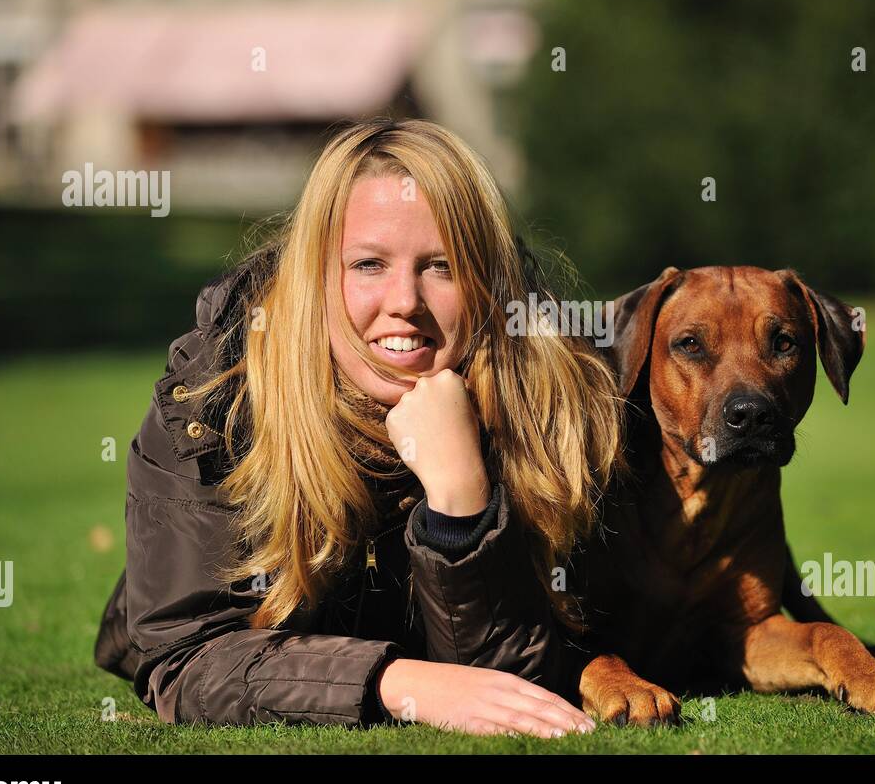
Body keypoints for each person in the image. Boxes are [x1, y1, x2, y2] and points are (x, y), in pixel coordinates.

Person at [93, 118, 623, 738]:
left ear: (487, 283)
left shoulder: (550, 397)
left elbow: (509, 683)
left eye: (442, 266)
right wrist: (396, 682)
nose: (405, 300)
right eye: (368, 264)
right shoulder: (218, 396)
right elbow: (188, 659)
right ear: (317, 277)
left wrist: (459, 500)